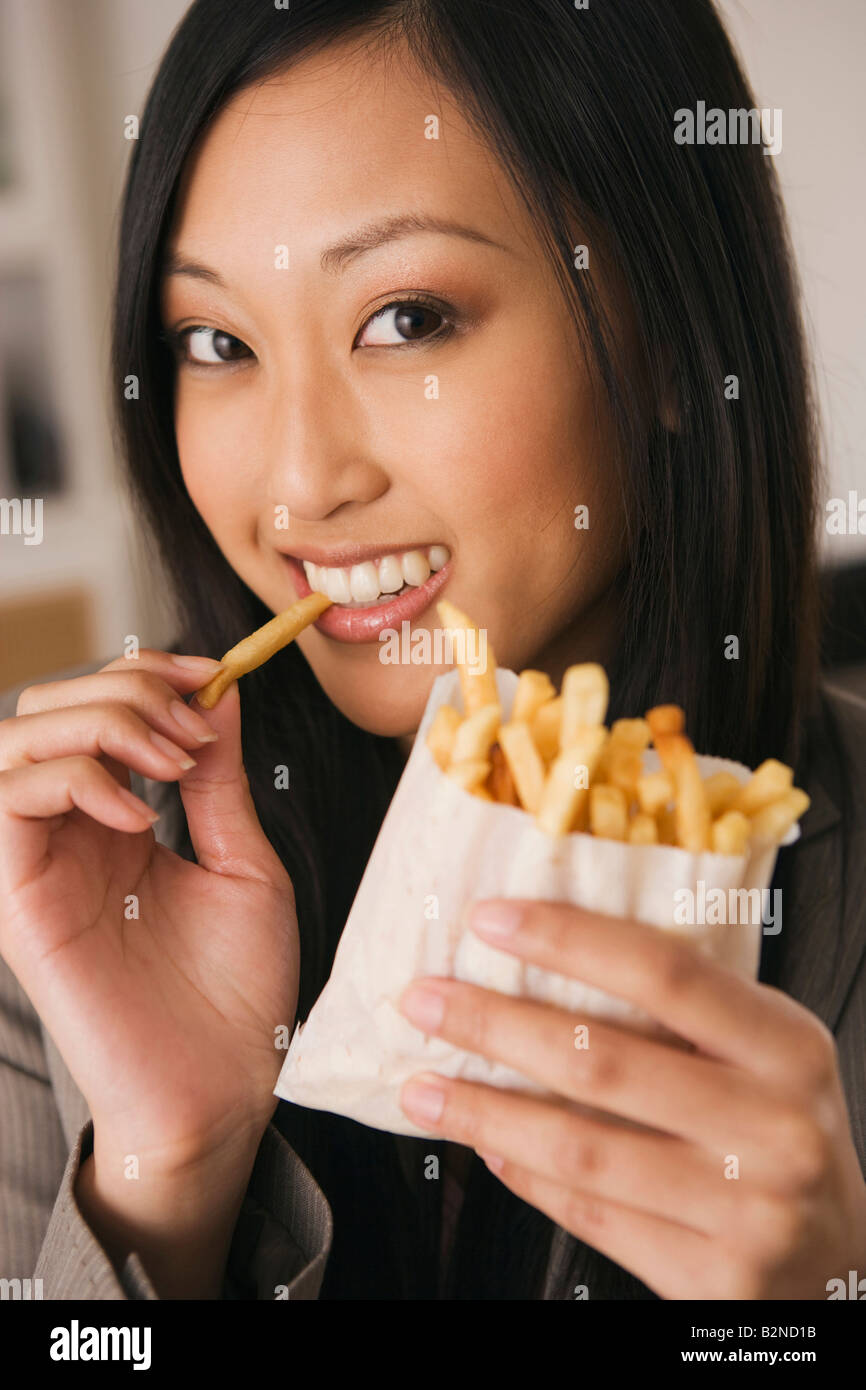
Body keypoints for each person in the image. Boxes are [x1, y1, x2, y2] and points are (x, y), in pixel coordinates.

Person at [1, 0, 864, 1301]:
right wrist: (166, 1170)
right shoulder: (67, 863)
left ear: (673, 340)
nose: (298, 483)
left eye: (405, 318)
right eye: (216, 342)